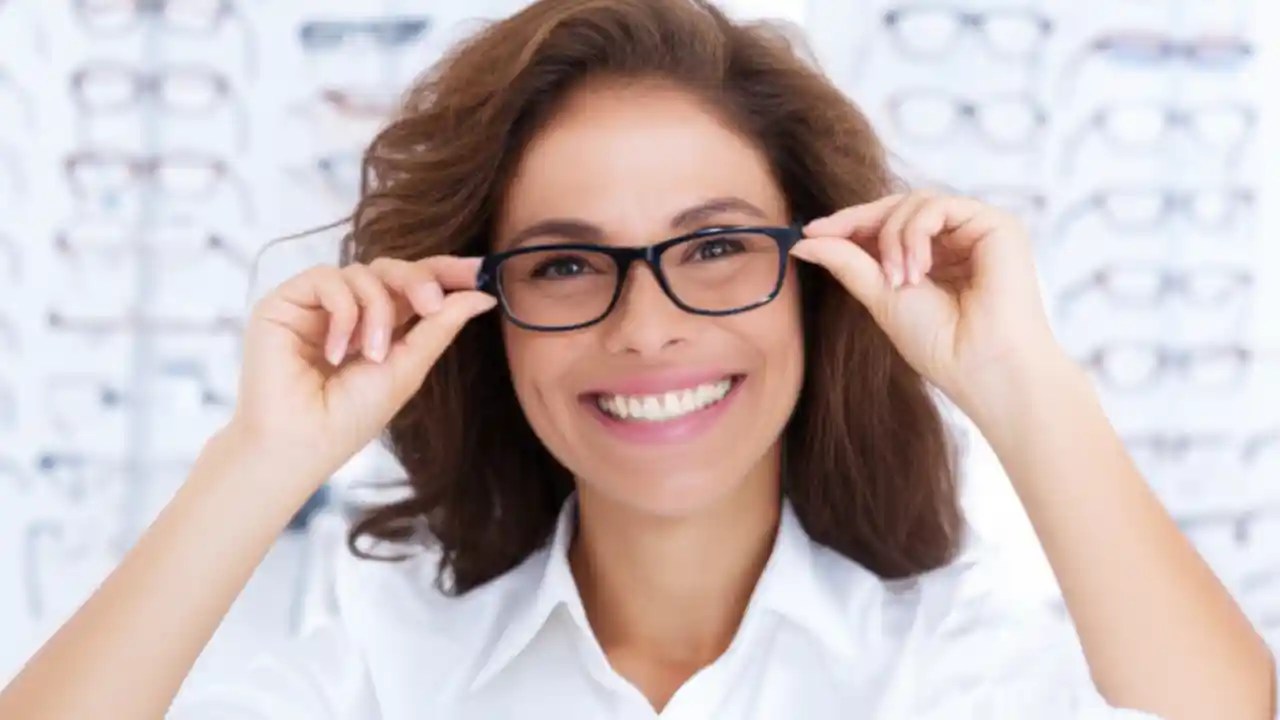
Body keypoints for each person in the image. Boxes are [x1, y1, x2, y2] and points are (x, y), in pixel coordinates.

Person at [1, 1, 1275, 718]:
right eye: (562, 264)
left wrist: (1017, 376)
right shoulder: (386, 663)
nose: (645, 327)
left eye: (714, 246)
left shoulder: (940, 661)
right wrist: (261, 456)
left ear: (819, 284)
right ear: (481, 320)